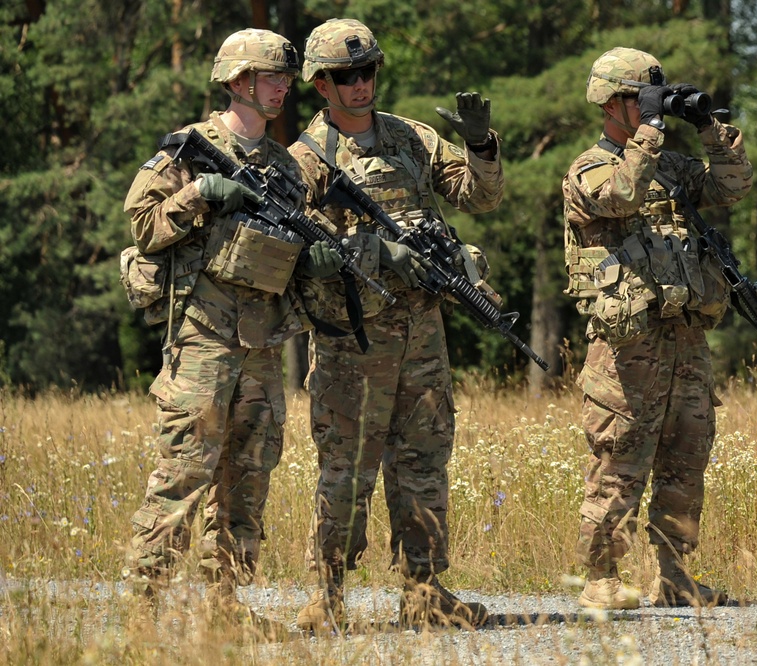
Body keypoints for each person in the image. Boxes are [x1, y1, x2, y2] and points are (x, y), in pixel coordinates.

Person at [121, 28, 342, 635]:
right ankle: (143, 609)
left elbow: (287, 251)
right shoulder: (189, 151)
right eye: (272, 77)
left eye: (286, 79)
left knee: (248, 480)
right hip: (202, 339)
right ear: (239, 81)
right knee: (182, 474)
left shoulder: (285, 166)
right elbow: (143, 226)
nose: (283, 88)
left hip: (262, 345)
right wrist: (197, 193)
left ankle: (226, 606)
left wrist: (316, 262)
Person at [287, 17, 504, 633]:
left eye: (368, 71)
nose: (360, 84)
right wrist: (379, 253)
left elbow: (478, 198)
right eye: (346, 76)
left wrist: (481, 147)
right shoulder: (306, 158)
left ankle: (424, 592)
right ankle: (327, 596)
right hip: (352, 338)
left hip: (421, 333)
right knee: (346, 468)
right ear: (321, 85)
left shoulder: (412, 138)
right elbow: (297, 247)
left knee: (425, 460)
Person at [562, 47, 753, 609]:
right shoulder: (587, 169)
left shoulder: (671, 167)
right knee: (619, 458)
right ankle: (600, 578)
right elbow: (621, 194)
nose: (652, 110)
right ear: (609, 103)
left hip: (684, 340)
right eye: (639, 99)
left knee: (687, 455)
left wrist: (708, 128)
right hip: (626, 347)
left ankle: (674, 574)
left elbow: (732, 186)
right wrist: (648, 131)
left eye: (655, 98)